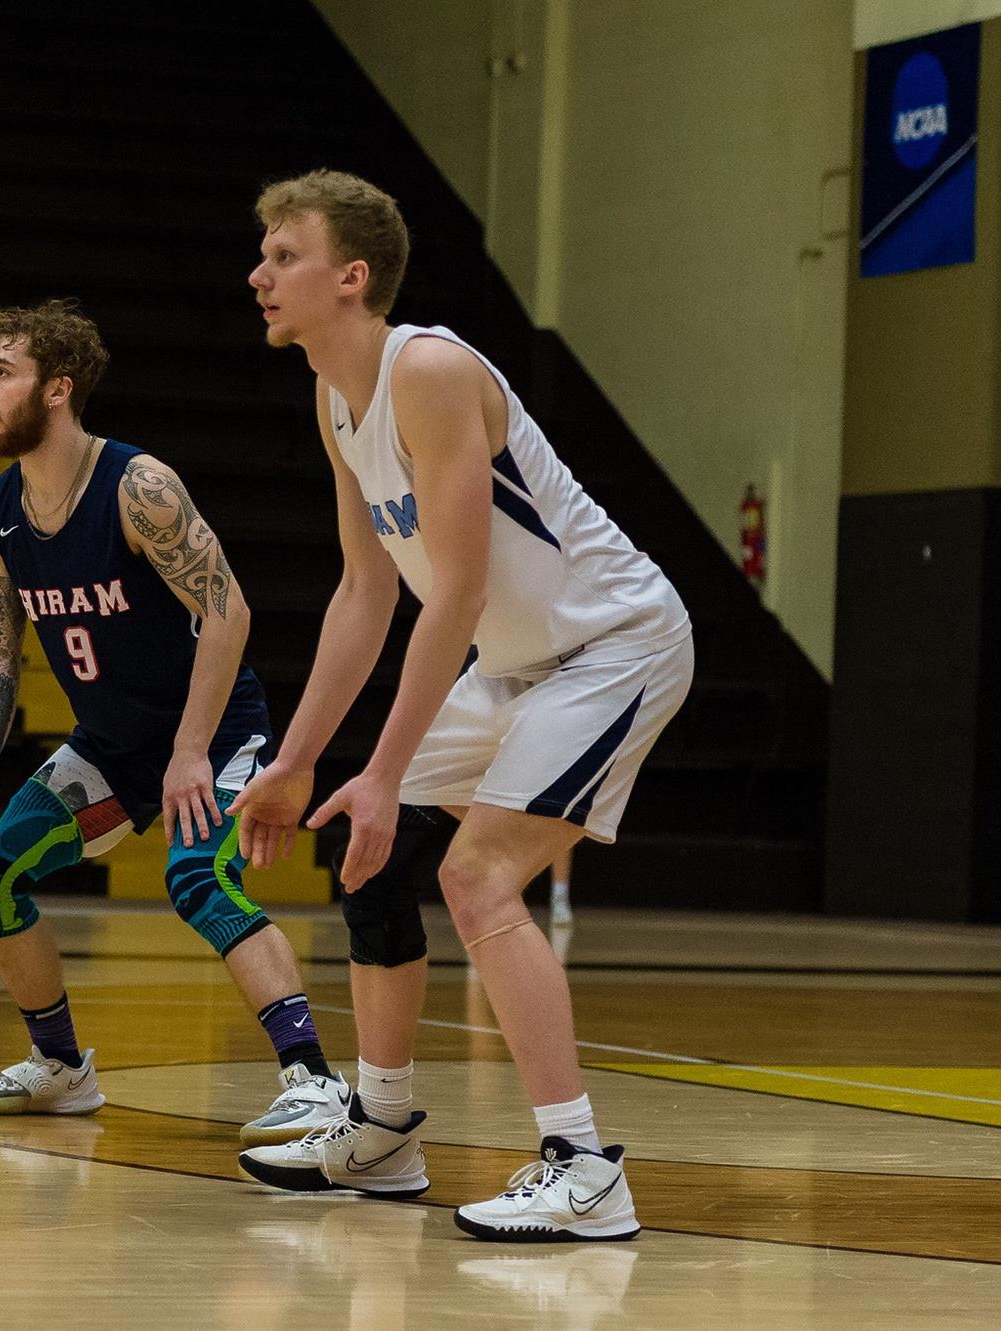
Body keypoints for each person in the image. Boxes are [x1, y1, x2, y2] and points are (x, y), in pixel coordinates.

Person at [231, 171, 692, 1241]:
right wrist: (302, 761)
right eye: (260, 252)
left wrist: (387, 771)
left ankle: (581, 1166)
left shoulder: (427, 369)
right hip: (513, 660)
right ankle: (383, 1127)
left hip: (610, 645)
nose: (258, 273)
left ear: (350, 277)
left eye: (282, 254)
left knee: (474, 871)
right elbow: (366, 590)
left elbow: (461, 588)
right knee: (370, 850)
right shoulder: (331, 394)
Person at [0, 300, 345, 1145]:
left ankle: (315, 1083)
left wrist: (193, 750)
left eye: (0, 372)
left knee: (198, 880)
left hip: (213, 731)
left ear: (57, 390)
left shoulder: (138, 485)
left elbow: (228, 610)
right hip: (113, 744)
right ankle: (60, 1065)